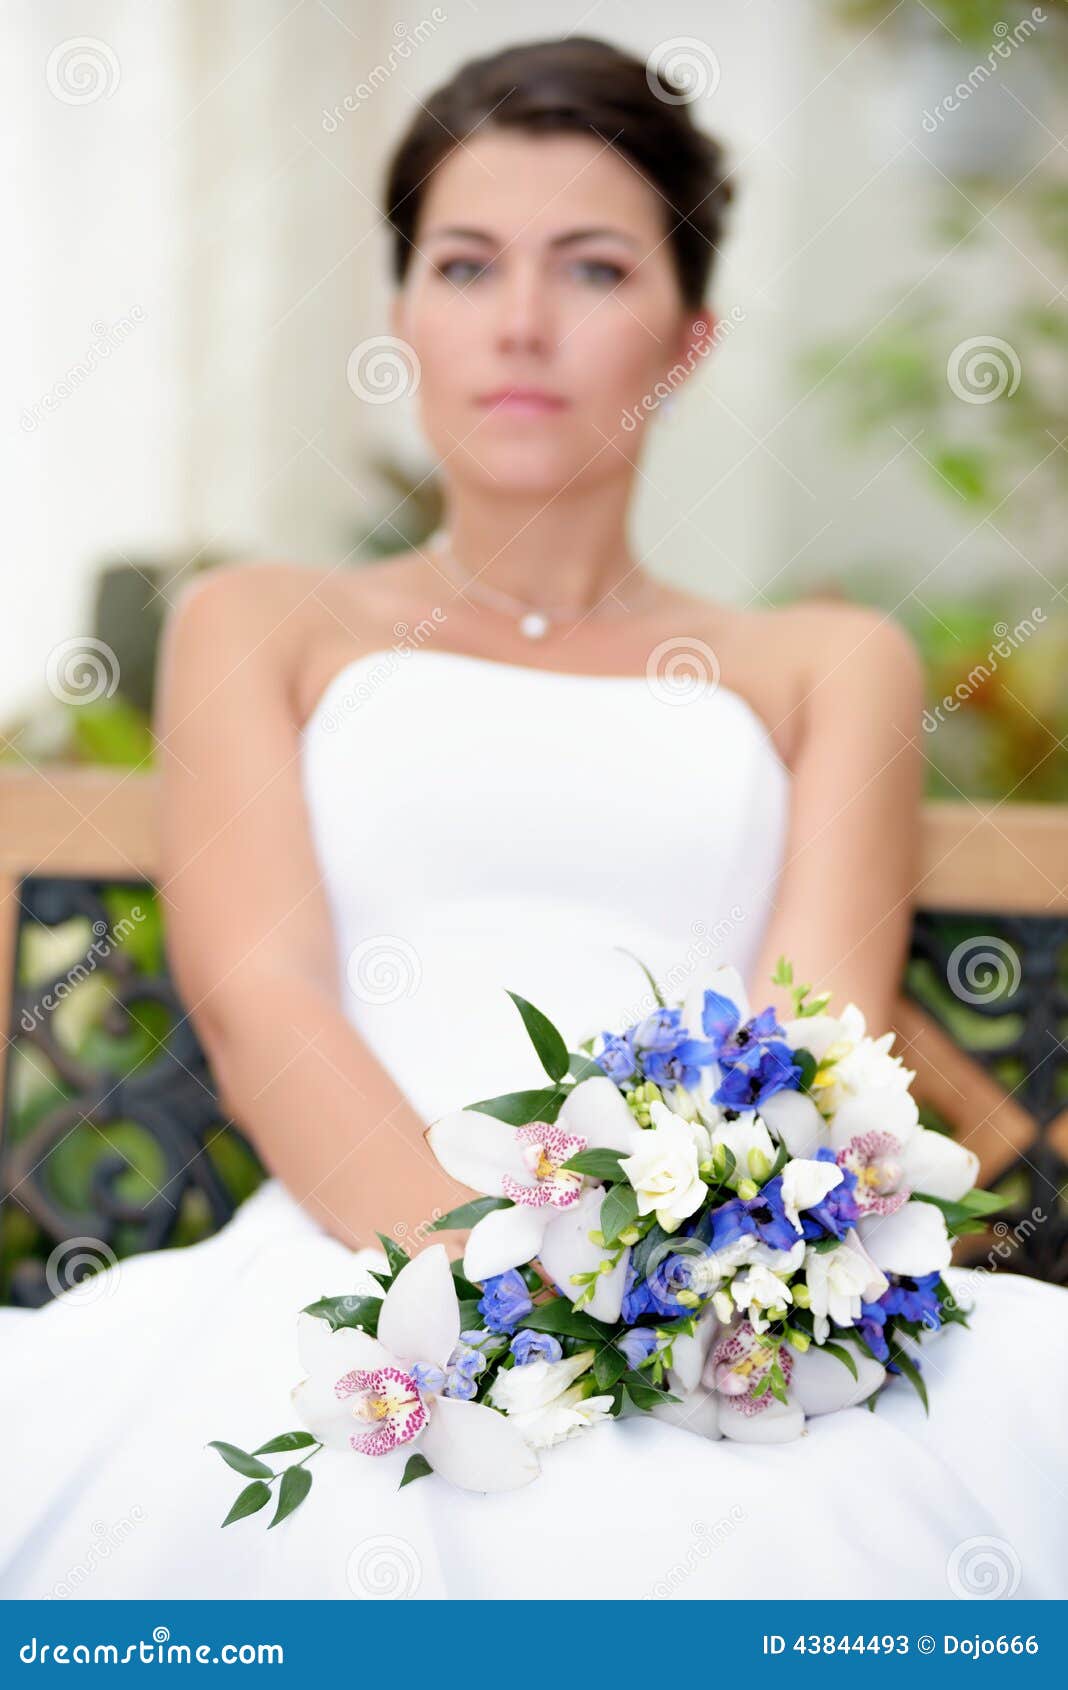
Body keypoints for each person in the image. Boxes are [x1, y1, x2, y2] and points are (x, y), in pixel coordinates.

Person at [1, 36, 1063, 1602]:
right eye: (464, 263)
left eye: (593, 267)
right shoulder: (258, 622)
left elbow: (814, 1028)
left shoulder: (825, 662)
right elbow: (257, 991)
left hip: (703, 1286)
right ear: (401, 315)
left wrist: (663, 1289)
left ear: (689, 337)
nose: (519, 321)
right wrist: (483, 1287)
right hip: (354, 1251)